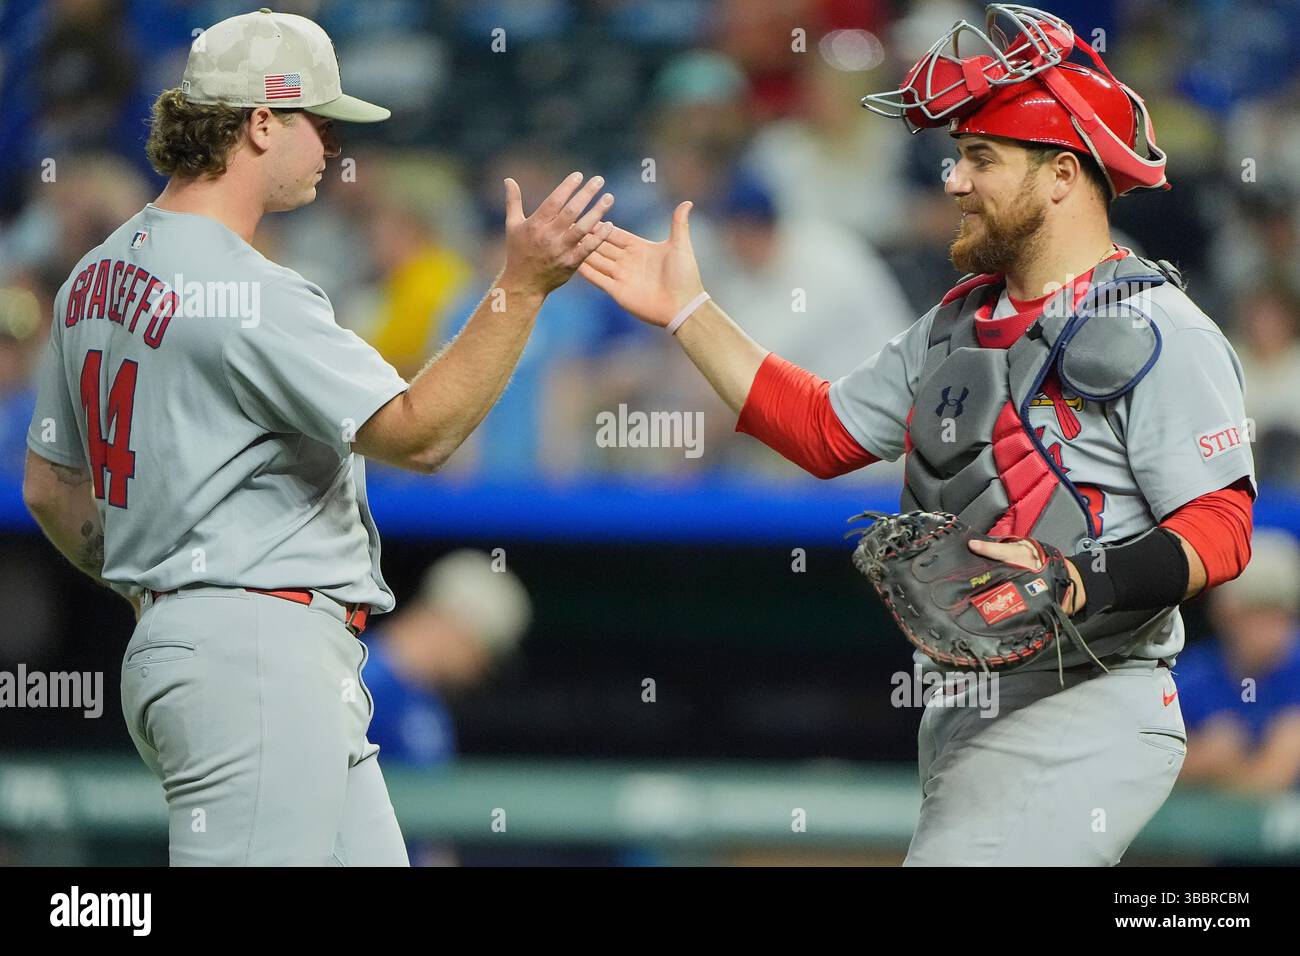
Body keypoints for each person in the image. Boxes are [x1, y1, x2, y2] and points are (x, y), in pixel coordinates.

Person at [580, 3, 1256, 865]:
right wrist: (689, 311)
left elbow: (1222, 529)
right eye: (956, 158)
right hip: (965, 708)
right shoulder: (956, 325)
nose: (954, 182)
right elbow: (822, 432)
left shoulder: (1158, 327)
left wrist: (1080, 577)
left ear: (1060, 173)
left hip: (1085, 705)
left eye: (981, 158)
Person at [21, 8, 613, 866]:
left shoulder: (96, 272)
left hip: (212, 646)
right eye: (319, 122)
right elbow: (421, 435)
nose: (332, 147)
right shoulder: (246, 288)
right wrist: (520, 290)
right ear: (261, 122)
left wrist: (163, 590)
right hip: (257, 655)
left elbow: (47, 485)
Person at [362, 550, 532, 768]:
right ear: (457, 626)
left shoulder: (428, 704)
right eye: (485, 652)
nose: (481, 671)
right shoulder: (352, 677)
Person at [1177, 529, 1300, 793]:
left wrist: (1230, 769)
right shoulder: (1195, 672)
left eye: (1279, 614)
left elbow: (1272, 777)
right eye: (1253, 612)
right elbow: (1143, 764)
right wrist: (1200, 758)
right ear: (1224, 614)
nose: (1268, 629)